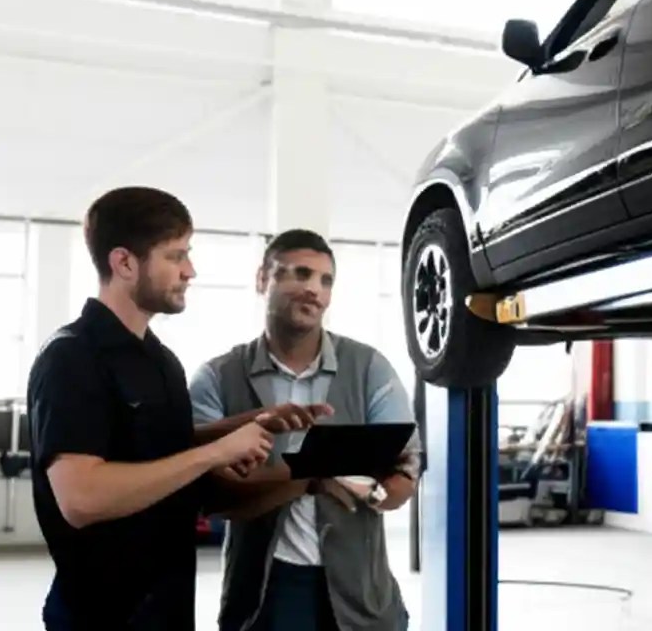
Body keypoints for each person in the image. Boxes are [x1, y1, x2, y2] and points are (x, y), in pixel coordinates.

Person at [26, 187, 330, 631]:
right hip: (100, 616)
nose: (190, 271)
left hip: (166, 609)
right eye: (175, 256)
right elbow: (81, 497)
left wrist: (247, 428)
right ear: (124, 263)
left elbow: (167, 454)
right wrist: (216, 452)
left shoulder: (161, 361)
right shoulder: (72, 358)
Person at [189, 229, 421, 631]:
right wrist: (309, 476)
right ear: (263, 278)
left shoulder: (370, 369)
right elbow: (210, 494)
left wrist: (374, 491)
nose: (314, 289)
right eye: (299, 274)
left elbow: (403, 472)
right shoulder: (216, 378)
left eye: (325, 280)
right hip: (265, 593)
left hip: (361, 594)